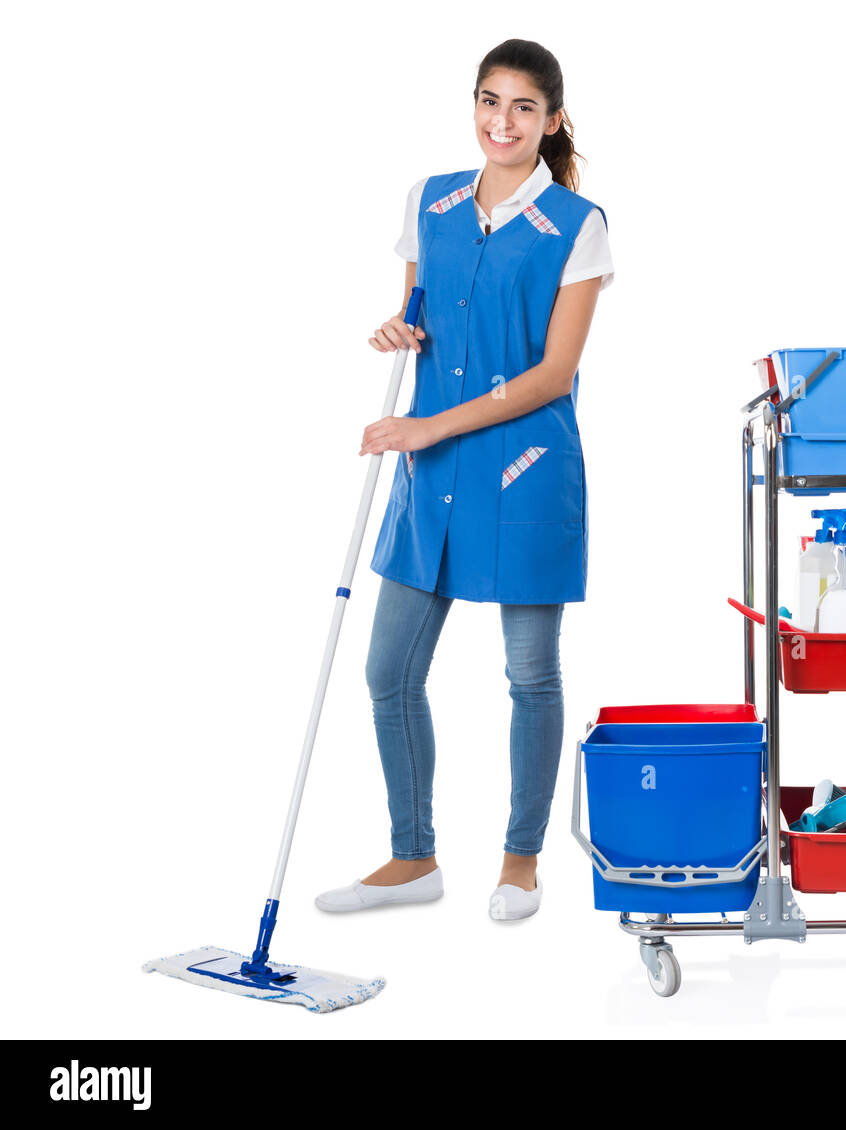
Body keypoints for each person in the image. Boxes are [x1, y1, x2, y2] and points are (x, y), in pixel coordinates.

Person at [314, 39, 613, 922]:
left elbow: (554, 372)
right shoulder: (433, 201)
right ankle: (414, 857)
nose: (501, 122)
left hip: (523, 470)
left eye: (523, 108)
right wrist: (397, 330)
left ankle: (520, 861)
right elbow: (420, 307)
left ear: (551, 121)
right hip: (430, 472)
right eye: (489, 101)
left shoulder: (577, 223)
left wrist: (426, 425)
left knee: (529, 674)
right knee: (388, 671)